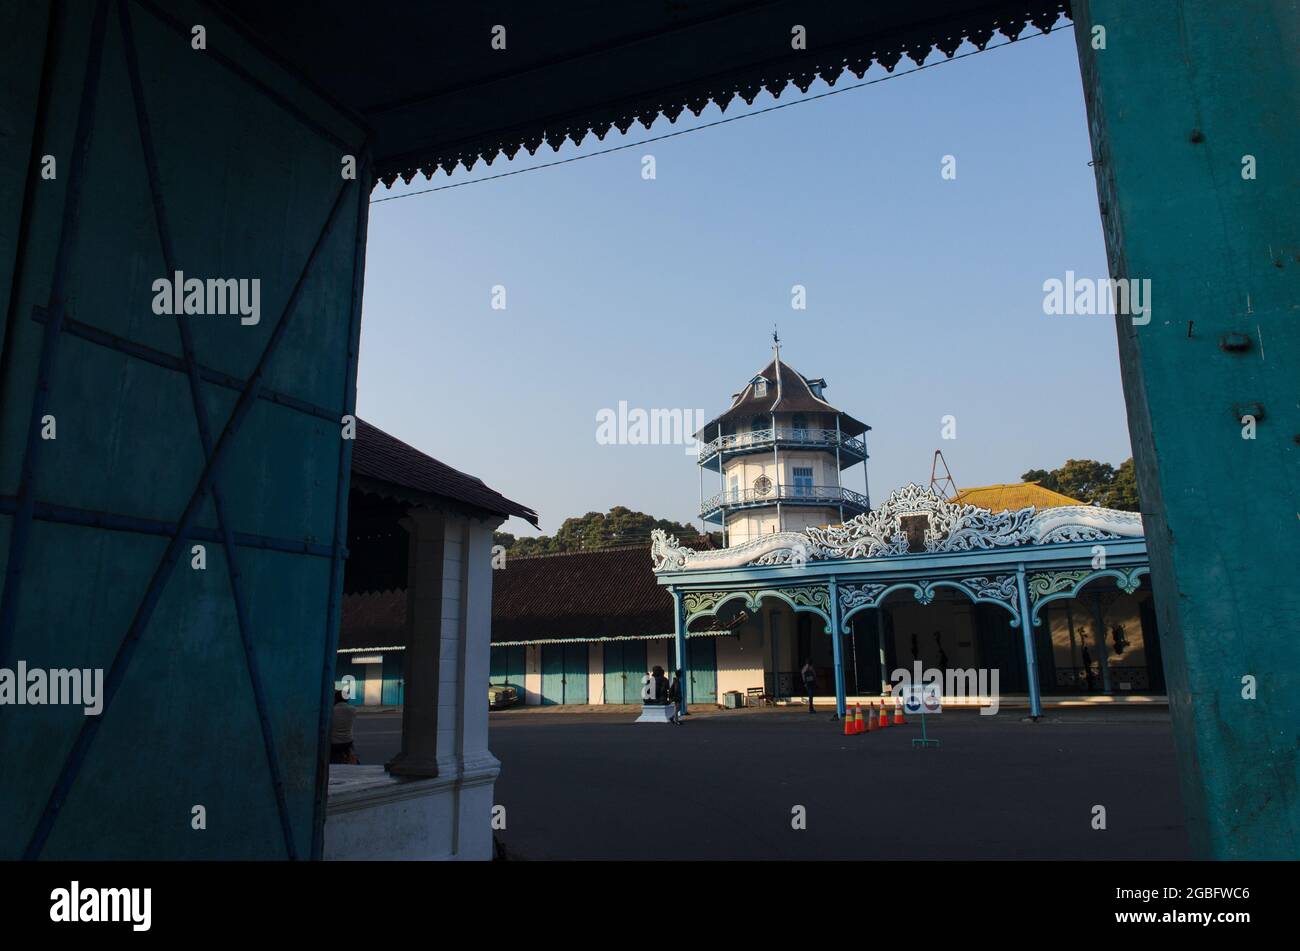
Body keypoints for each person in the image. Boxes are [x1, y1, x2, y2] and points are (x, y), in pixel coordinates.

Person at [330, 689, 359, 764]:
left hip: (333, 742)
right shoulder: (353, 709)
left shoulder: (331, 710)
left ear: (335, 698)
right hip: (348, 741)